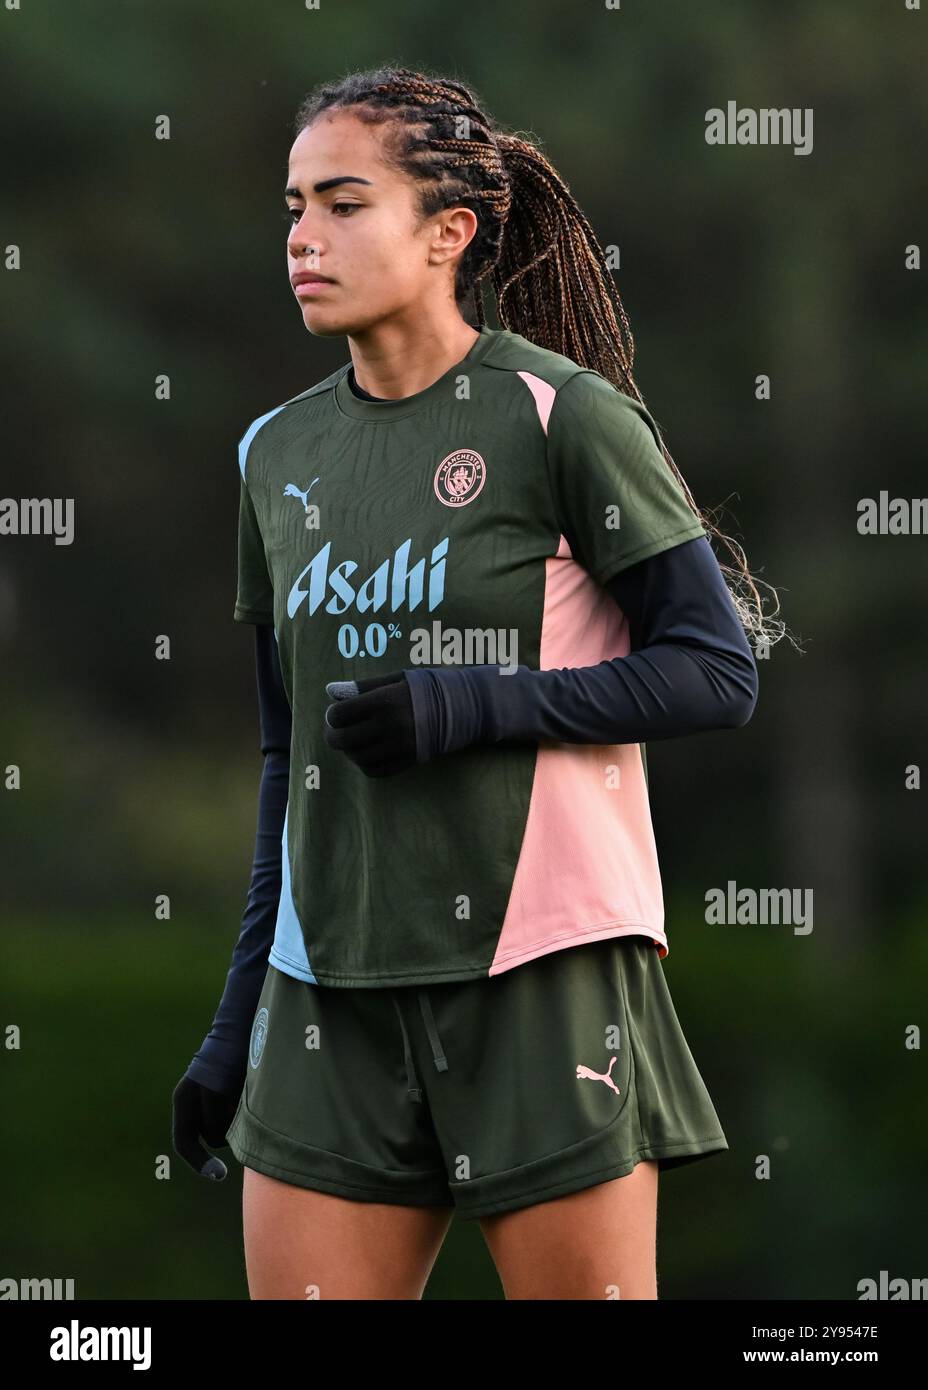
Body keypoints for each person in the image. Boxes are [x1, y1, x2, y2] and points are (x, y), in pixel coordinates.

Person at [173, 65, 769, 1300]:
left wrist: (474, 705)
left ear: (449, 232)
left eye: (343, 203)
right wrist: (238, 1016)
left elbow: (715, 672)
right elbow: (290, 761)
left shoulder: (561, 414)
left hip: (542, 975)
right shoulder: (272, 451)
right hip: (322, 987)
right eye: (292, 206)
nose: (301, 236)